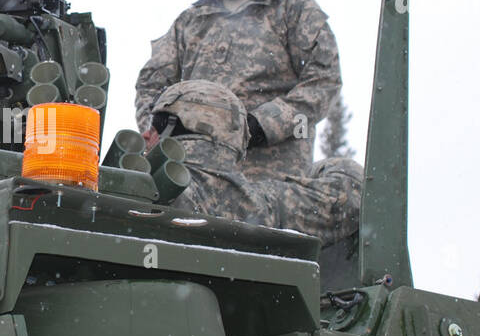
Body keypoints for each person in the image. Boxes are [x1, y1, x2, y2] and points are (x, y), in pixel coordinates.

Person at [136, 0, 342, 181]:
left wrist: (260, 125)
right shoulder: (190, 22)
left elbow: (324, 82)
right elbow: (151, 84)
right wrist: (158, 127)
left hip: (274, 184)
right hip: (196, 179)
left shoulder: (292, 8)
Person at [150, 80, 362, 245]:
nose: (144, 135)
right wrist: (313, 171)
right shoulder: (257, 204)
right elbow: (352, 190)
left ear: (169, 133)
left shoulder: (143, 187)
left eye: (155, 128)